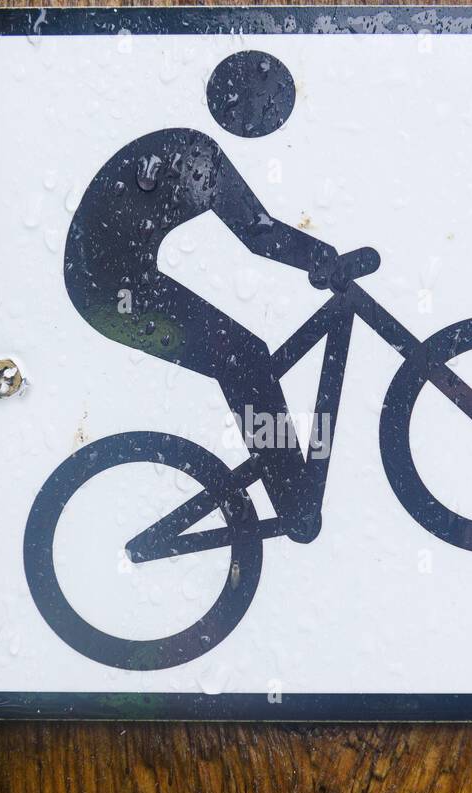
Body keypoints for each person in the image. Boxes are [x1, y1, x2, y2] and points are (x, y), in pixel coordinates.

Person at [63, 50, 368, 538]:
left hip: (107, 275)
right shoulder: (194, 155)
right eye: (265, 118)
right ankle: (292, 501)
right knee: (244, 355)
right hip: (109, 284)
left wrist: (318, 259)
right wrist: (324, 260)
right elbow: (257, 233)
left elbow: (256, 231)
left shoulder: (185, 146)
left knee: (247, 356)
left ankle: (286, 488)